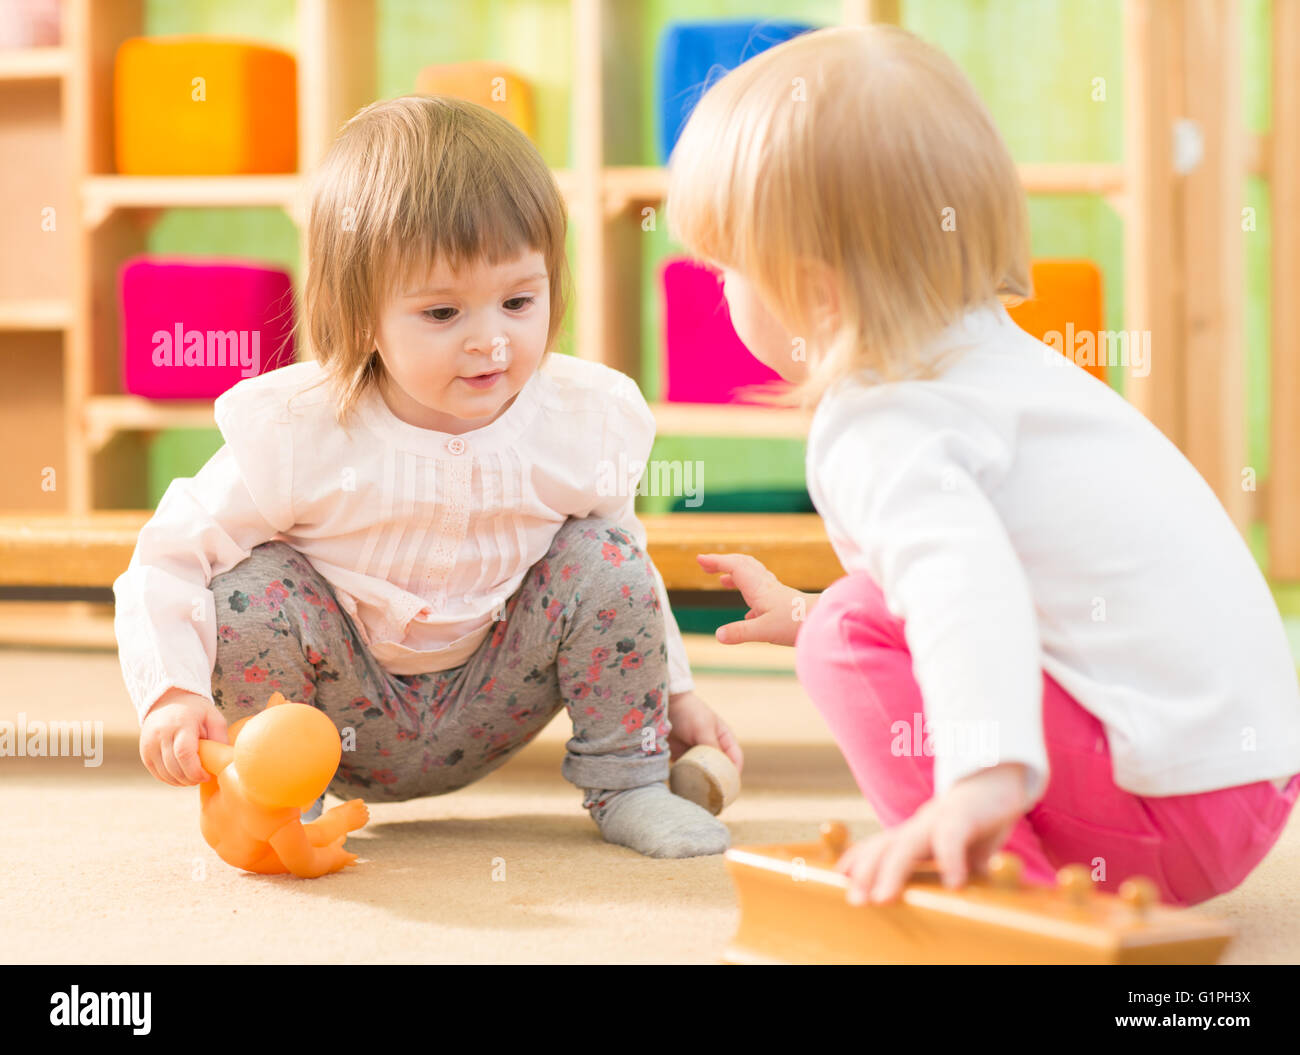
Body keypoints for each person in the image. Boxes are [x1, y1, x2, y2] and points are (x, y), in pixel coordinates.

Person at [670, 24, 1300, 905]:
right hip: (1240, 782)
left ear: (814, 291)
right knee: (843, 616)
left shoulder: (882, 416)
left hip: (1171, 804)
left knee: (849, 635)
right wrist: (804, 609)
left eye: (726, 268)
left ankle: (994, 886)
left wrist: (981, 777)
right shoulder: (1007, 370)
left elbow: (968, 593)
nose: (721, 291)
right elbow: (984, 589)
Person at [116, 95, 740, 860]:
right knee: (245, 585)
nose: (492, 342)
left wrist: (674, 692)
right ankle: (277, 801)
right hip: (331, 721)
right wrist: (171, 691)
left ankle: (631, 784)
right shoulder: (301, 430)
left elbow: (625, 575)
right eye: (442, 313)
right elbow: (169, 553)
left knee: (607, 553)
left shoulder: (580, 419)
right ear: (360, 316)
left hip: (492, 699)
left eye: (518, 301)